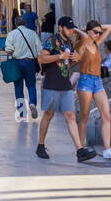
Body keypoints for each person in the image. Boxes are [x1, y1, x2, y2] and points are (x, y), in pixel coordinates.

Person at [35, 16, 95, 163]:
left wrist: (76, 59)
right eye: (68, 28)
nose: (70, 31)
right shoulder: (51, 40)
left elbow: (68, 62)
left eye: (71, 28)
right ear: (60, 27)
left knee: (71, 117)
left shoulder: (69, 42)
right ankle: (41, 146)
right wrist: (59, 56)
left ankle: (80, 151)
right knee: (48, 115)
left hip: (65, 84)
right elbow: (41, 59)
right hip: (51, 84)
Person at [76, 21, 111, 160]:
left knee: (106, 115)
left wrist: (95, 29)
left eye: (99, 32)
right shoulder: (81, 45)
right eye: (95, 32)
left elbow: (110, 26)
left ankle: (107, 149)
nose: (98, 34)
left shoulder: (97, 43)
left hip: (97, 81)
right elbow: (81, 36)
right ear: (87, 32)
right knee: (84, 117)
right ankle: (80, 149)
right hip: (85, 82)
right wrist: (83, 31)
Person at [3, 16, 42, 120]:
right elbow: (39, 50)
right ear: (25, 23)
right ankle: (32, 103)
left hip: (17, 63)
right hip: (30, 62)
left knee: (18, 87)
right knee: (31, 86)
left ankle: (22, 112)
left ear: (15, 24)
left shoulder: (12, 34)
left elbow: (9, 50)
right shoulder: (32, 33)